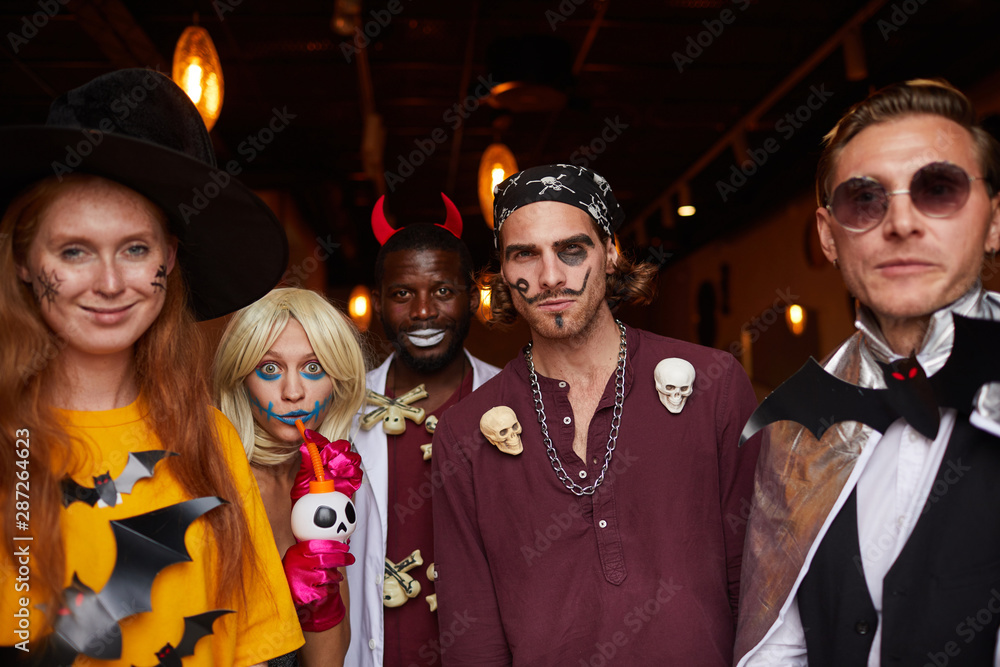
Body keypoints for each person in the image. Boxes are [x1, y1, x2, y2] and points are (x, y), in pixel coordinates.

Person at [0, 69, 302, 666]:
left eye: (135, 249)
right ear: (26, 264)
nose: (110, 284)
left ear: (168, 257)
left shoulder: (212, 441)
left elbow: (258, 651)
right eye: (74, 250)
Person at [431, 164, 762, 665]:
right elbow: (471, 633)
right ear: (503, 272)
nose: (550, 277)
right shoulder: (462, 433)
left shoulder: (713, 383)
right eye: (525, 254)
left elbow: (759, 581)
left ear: (610, 252)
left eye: (571, 249)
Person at [735, 79, 1000, 666]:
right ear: (829, 237)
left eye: (939, 189)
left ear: (995, 221)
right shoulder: (795, 425)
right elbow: (776, 647)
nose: (901, 223)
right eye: (865, 199)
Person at [345, 197, 500, 667]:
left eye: (443, 291)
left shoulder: (516, 400)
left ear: (472, 298)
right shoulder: (340, 411)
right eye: (401, 294)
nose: (423, 311)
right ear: (377, 304)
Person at [214, 287, 368, 667]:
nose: (294, 392)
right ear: (240, 379)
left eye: (313, 368)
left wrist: (322, 572)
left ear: (338, 382)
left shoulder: (324, 489)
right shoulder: (215, 478)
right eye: (270, 368)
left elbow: (328, 663)